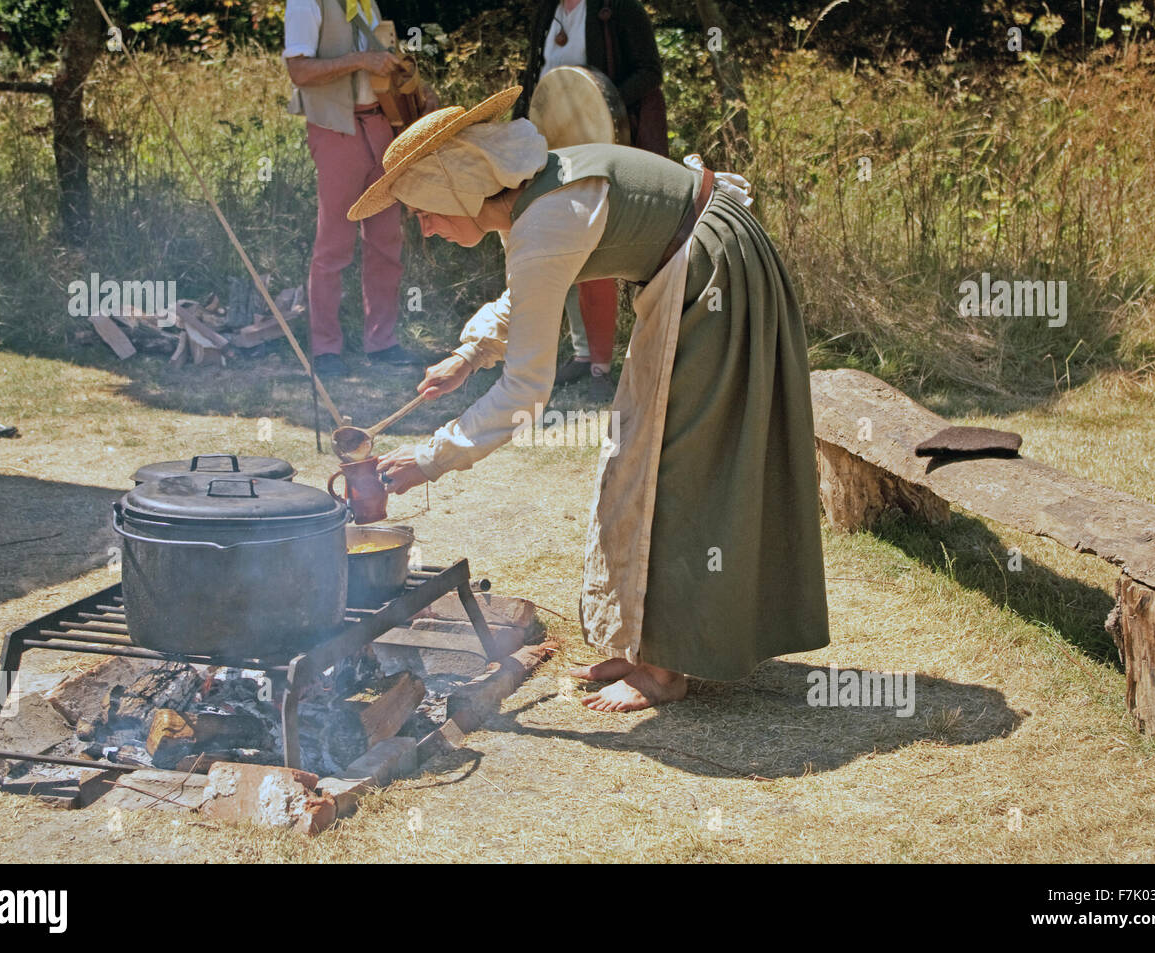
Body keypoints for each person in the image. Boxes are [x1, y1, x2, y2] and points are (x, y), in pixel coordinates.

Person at [352, 88, 829, 712]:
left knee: (672, 462)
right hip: (689, 270)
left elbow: (527, 389)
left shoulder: (546, 217)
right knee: (638, 455)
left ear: (458, 186)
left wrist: (431, 458)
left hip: (715, 278)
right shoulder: (532, 204)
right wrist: (470, 356)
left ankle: (664, 667)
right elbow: (532, 290)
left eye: (425, 210)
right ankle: (639, 642)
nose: (426, 226)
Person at [514, 0, 669, 399]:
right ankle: (583, 355)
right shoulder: (547, 10)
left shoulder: (618, 8)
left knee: (596, 250)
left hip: (607, 147)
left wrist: (599, 101)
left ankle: (605, 366)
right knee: (558, 247)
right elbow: (535, 76)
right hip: (552, 148)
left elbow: (651, 73)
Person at [284, 0, 434, 373]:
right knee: (333, 245)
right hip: (336, 129)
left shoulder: (366, 1)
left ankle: (382, 343)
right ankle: (326, 350)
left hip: (380, 124)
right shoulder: (305, 3)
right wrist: (359, 60)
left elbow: (379, 62)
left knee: (386, 241)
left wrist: (416, 89)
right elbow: (298, 71)